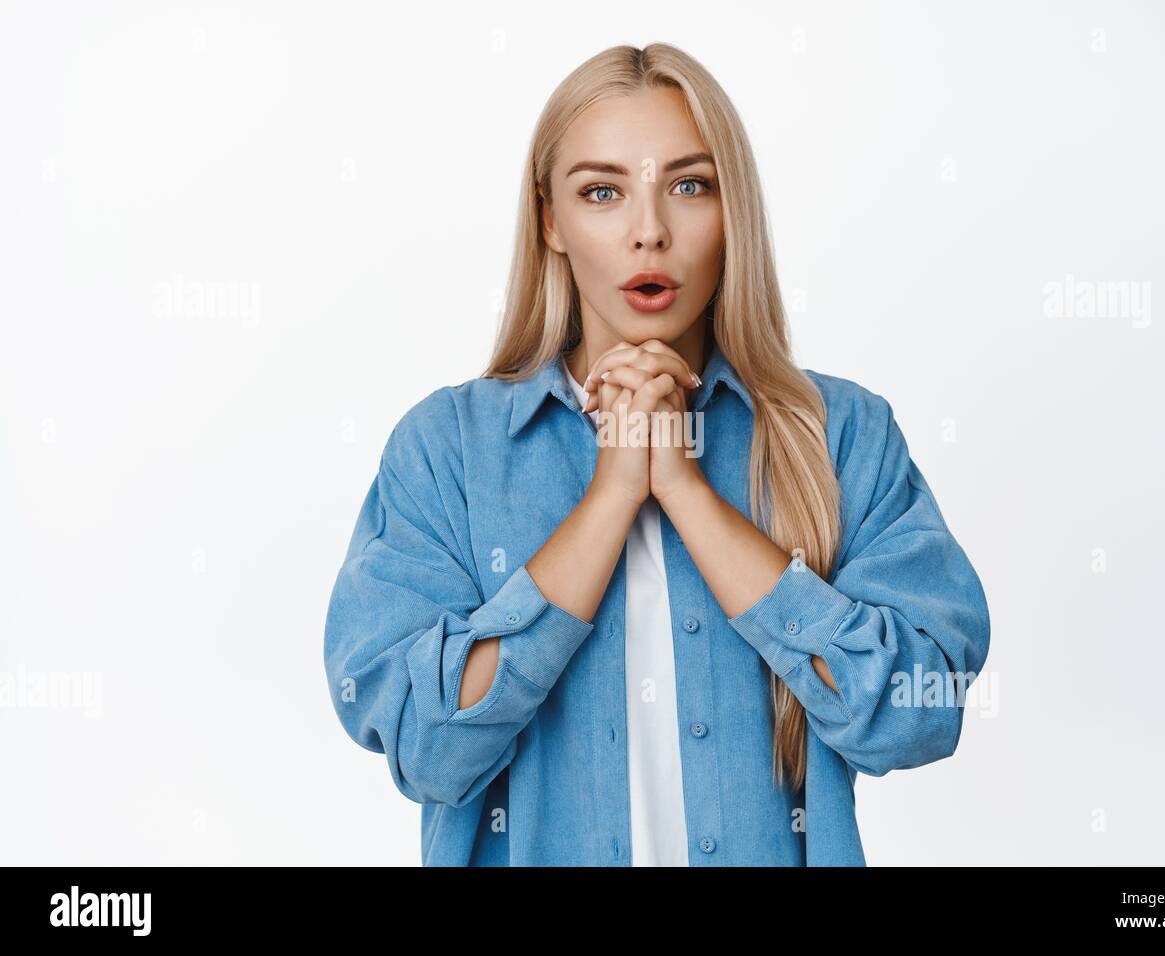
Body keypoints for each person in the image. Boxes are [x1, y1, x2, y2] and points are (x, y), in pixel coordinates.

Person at [323, 42, 991, 866]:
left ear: (732, 207)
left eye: (688, 185)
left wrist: (685, 489)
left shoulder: (842, 432)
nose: (649, 233)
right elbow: (424, 747)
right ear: (550, 222)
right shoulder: (446, 451)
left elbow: (918, 715)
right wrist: (611, 495)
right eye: (602, 192)